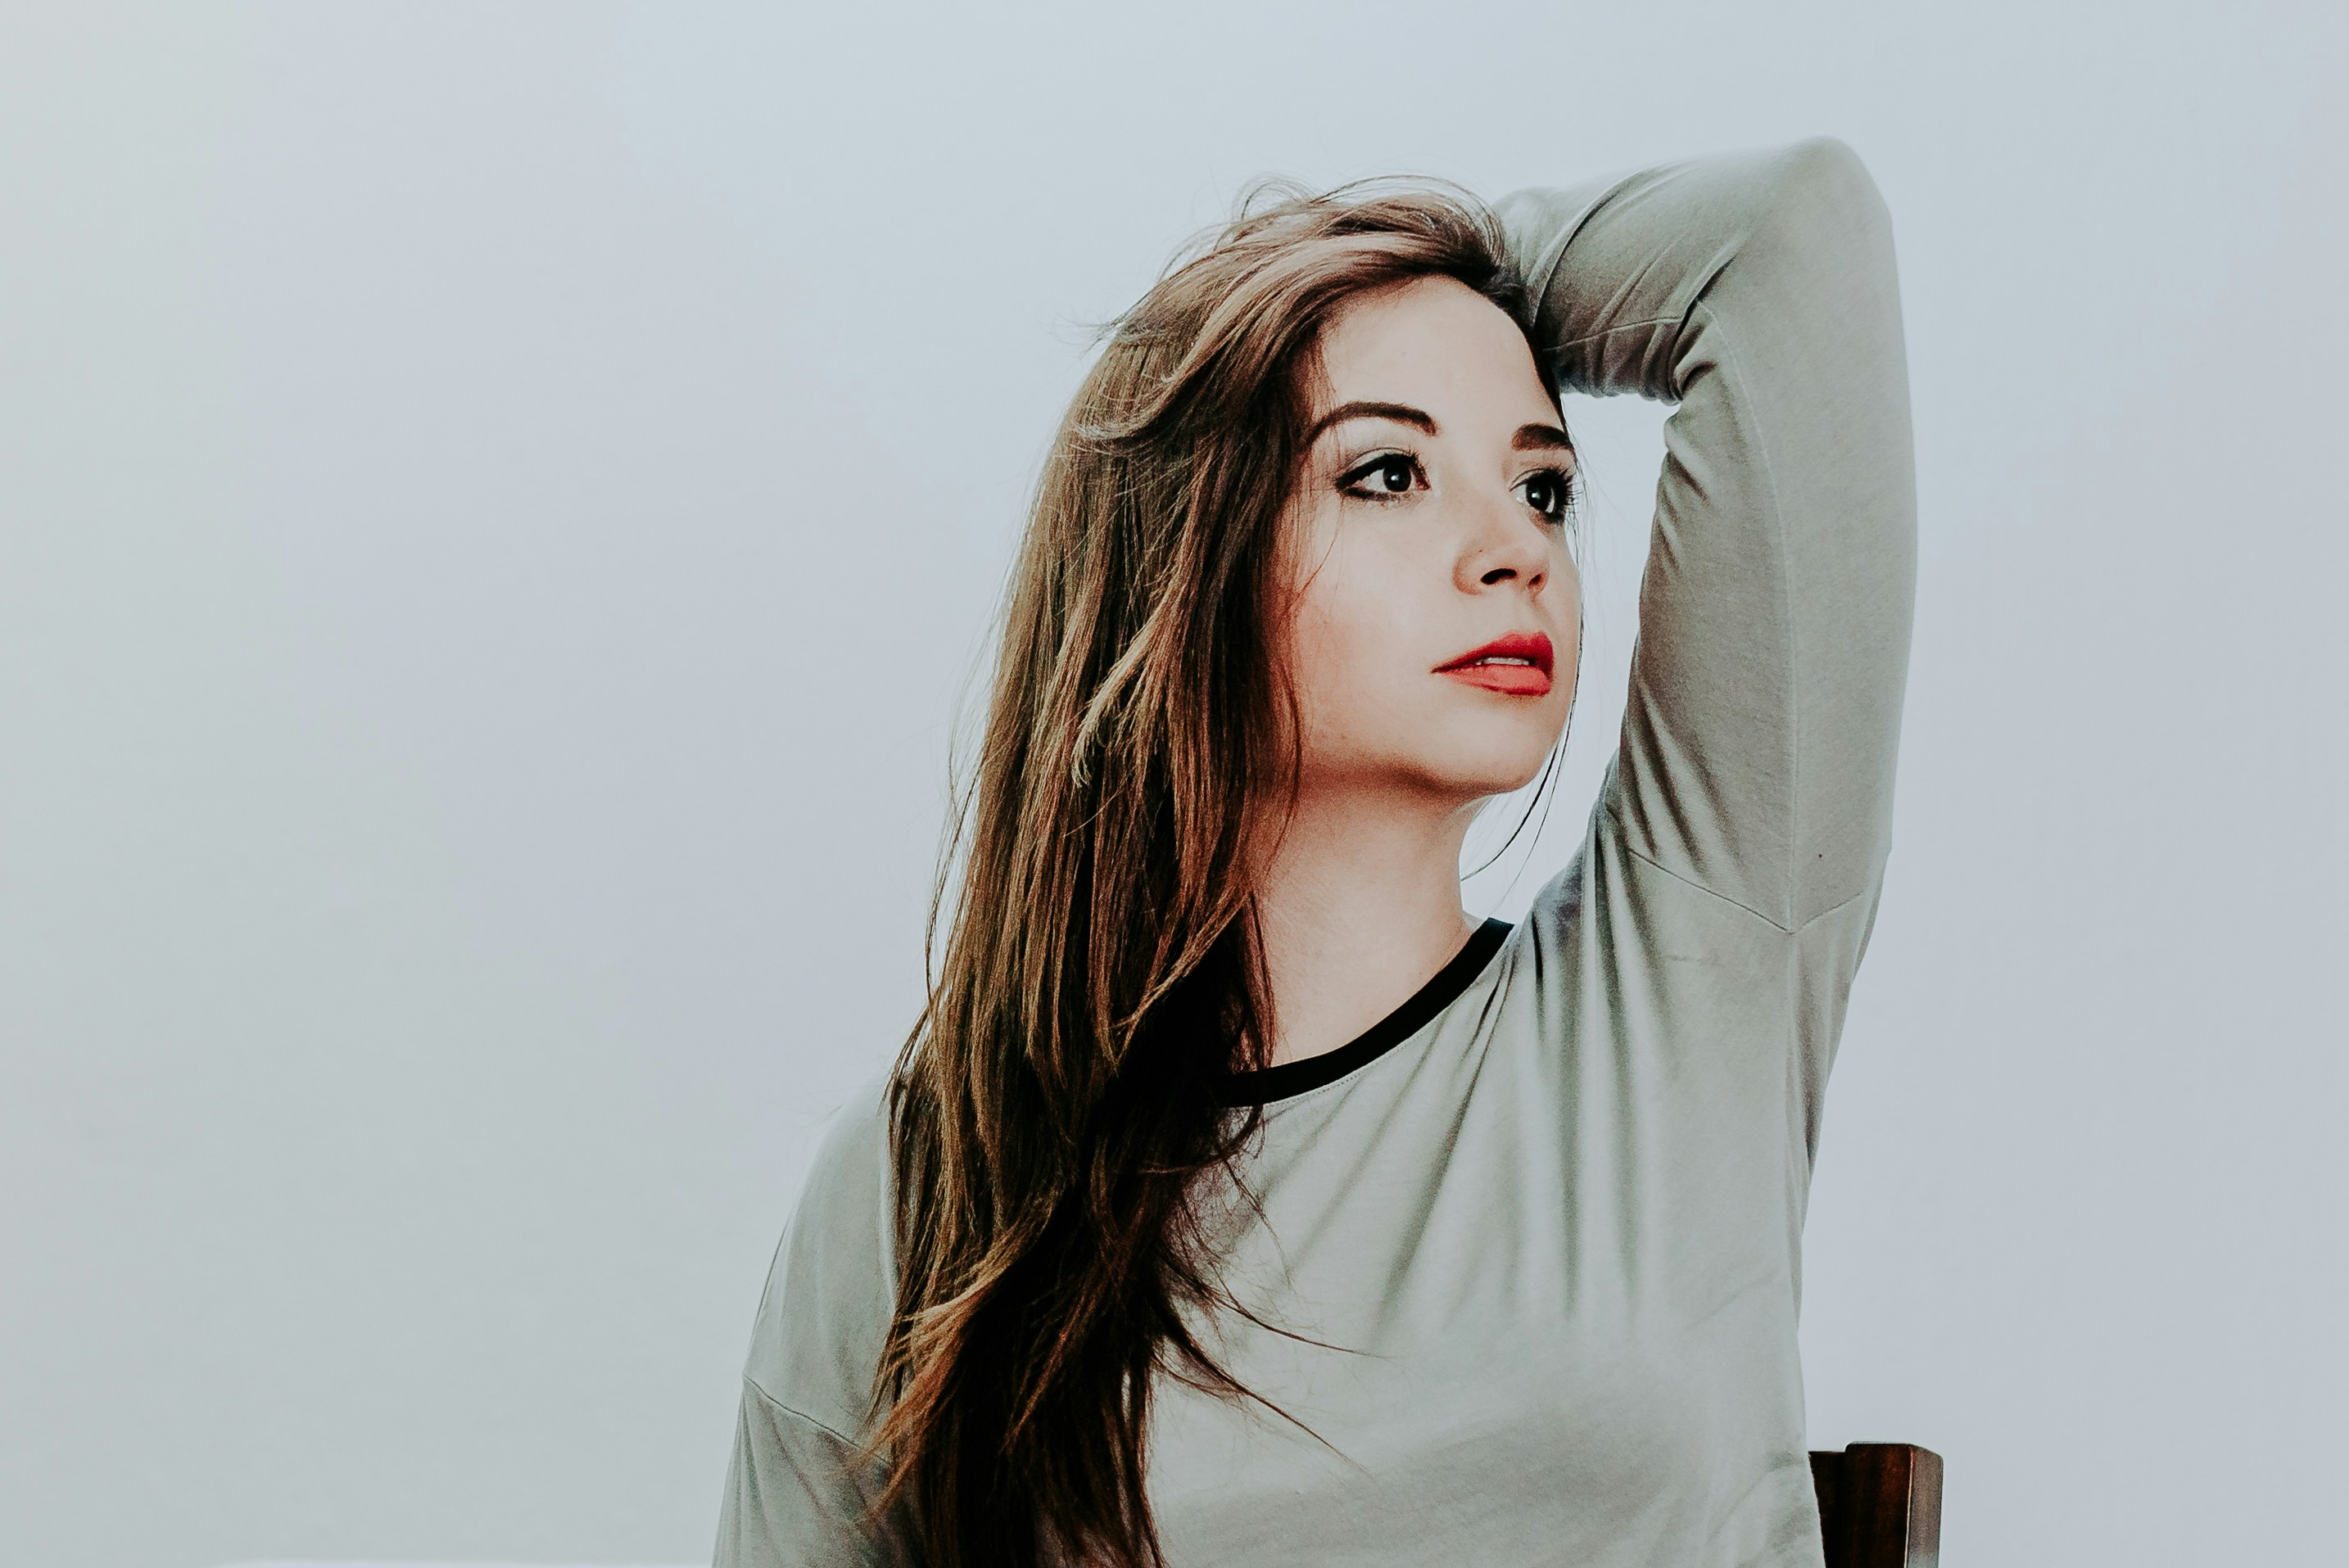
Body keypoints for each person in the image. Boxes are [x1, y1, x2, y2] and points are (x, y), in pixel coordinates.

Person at [717, 136, 1915, 1568]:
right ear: (1188, 560)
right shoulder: (929, 1178)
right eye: (1390, 472)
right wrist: (1254, 322)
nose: (1515, 549)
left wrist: (1411, 267)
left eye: (1542, 487)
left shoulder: (1687, 985)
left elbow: (1785, 240)